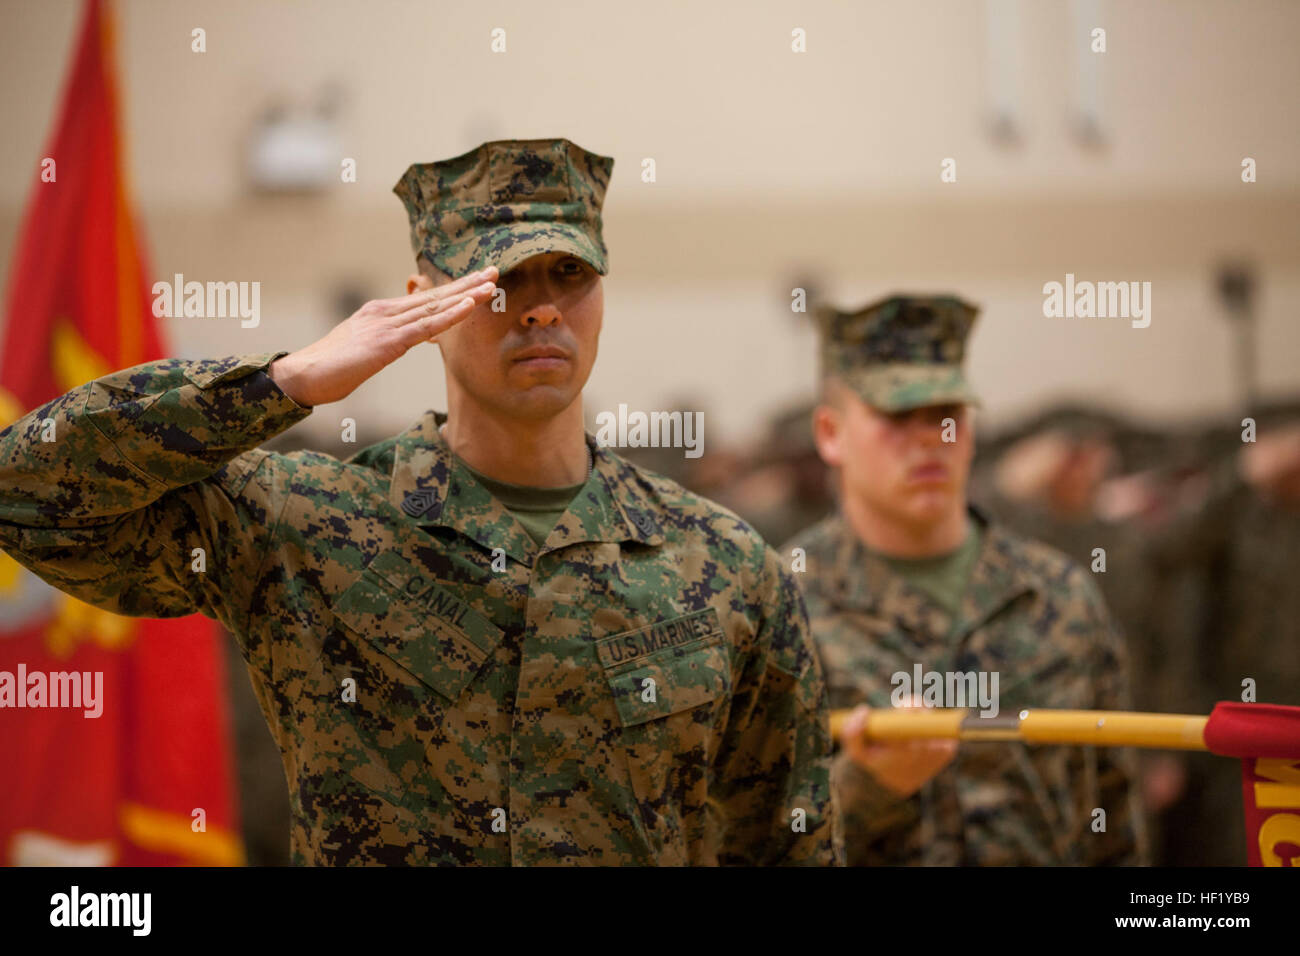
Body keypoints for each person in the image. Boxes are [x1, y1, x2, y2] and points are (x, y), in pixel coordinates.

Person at [0, 138, 838, 866]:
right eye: (502, 278)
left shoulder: (723, 563)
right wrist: (282, 381)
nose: (542, 304)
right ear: (422, 303)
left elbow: (788, 843)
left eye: (570, 273)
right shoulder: (305, 522)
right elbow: (26, 492)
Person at [781, 294, 1145, 865]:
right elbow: (744, 844)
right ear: (831, 433)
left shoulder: (1059, 595)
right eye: (898, 417)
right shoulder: (779, 606)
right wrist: (867, 790)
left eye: (947, 416)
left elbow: (1114, 820)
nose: (931, 439)